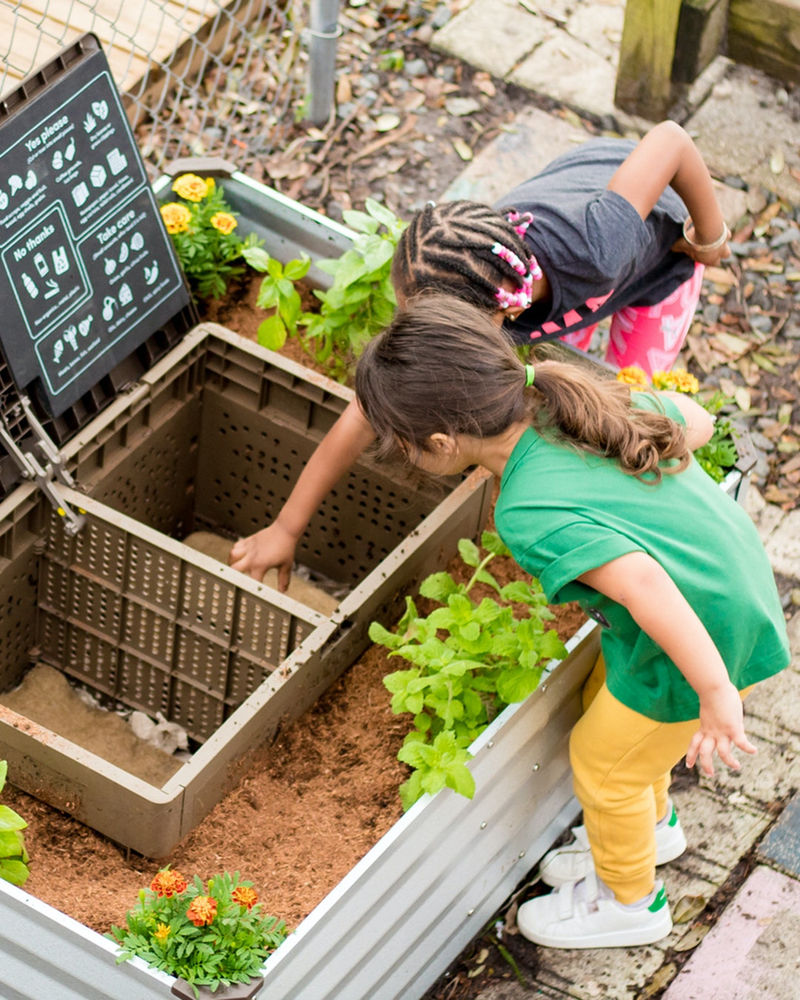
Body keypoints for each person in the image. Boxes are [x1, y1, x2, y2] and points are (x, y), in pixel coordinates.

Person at [352, 293, 789, 950]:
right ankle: (653, 827)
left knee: (604, 763)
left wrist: (715, 691)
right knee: (608, 709)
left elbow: (642, 582)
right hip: (732, 583)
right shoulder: (575, 402)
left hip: (703, 638)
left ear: (440, 443)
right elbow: (695, 421)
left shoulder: (526, 508)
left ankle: (631, 902)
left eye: (399, 442)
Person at [229, 119, 730, 587]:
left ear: (490, 321)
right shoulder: (469, 269)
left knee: (625, 397)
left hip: (656, 250)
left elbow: (668, 139)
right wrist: (286, 528)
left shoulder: (593, 249)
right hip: (572, 221)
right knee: (560, 375)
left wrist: (710, 238)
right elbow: (361, 414)